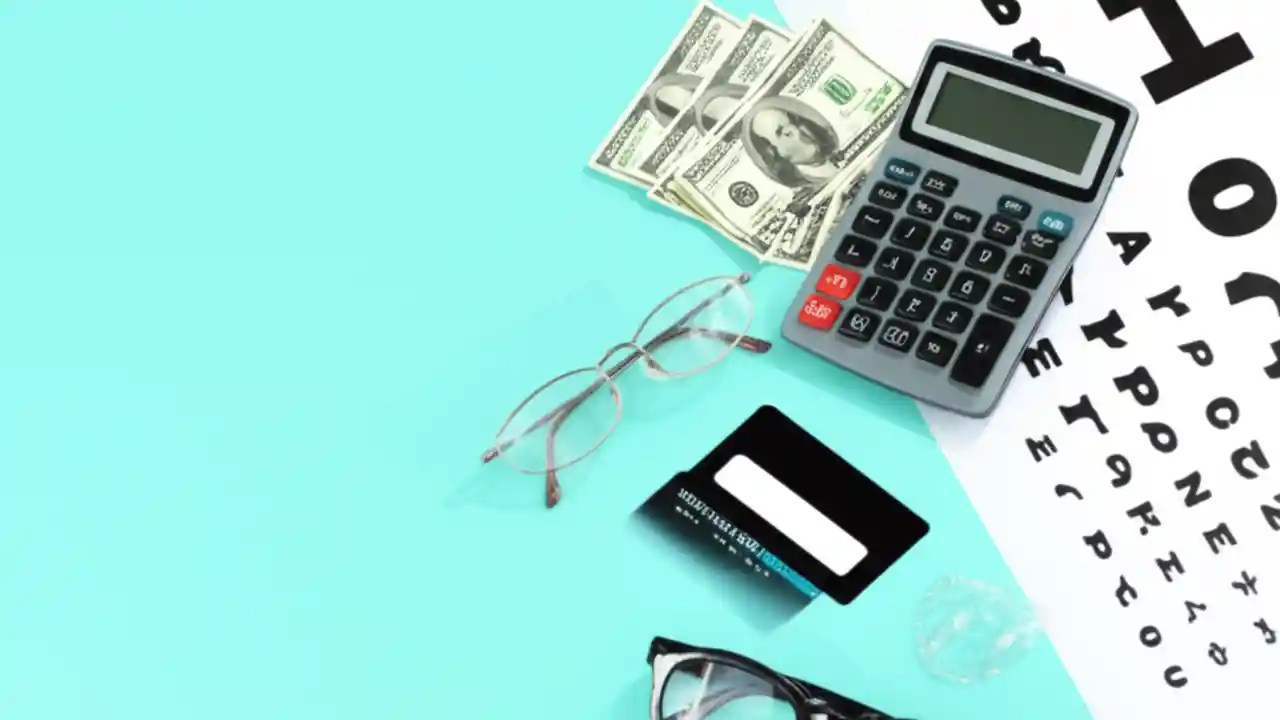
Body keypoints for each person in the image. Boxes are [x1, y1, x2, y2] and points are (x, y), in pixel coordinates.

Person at [746, 103, 840, 187]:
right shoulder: (806, 190)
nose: (798, 131)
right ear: (775, 153)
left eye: (794, 121)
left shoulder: (838, 155)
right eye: (784, 132)